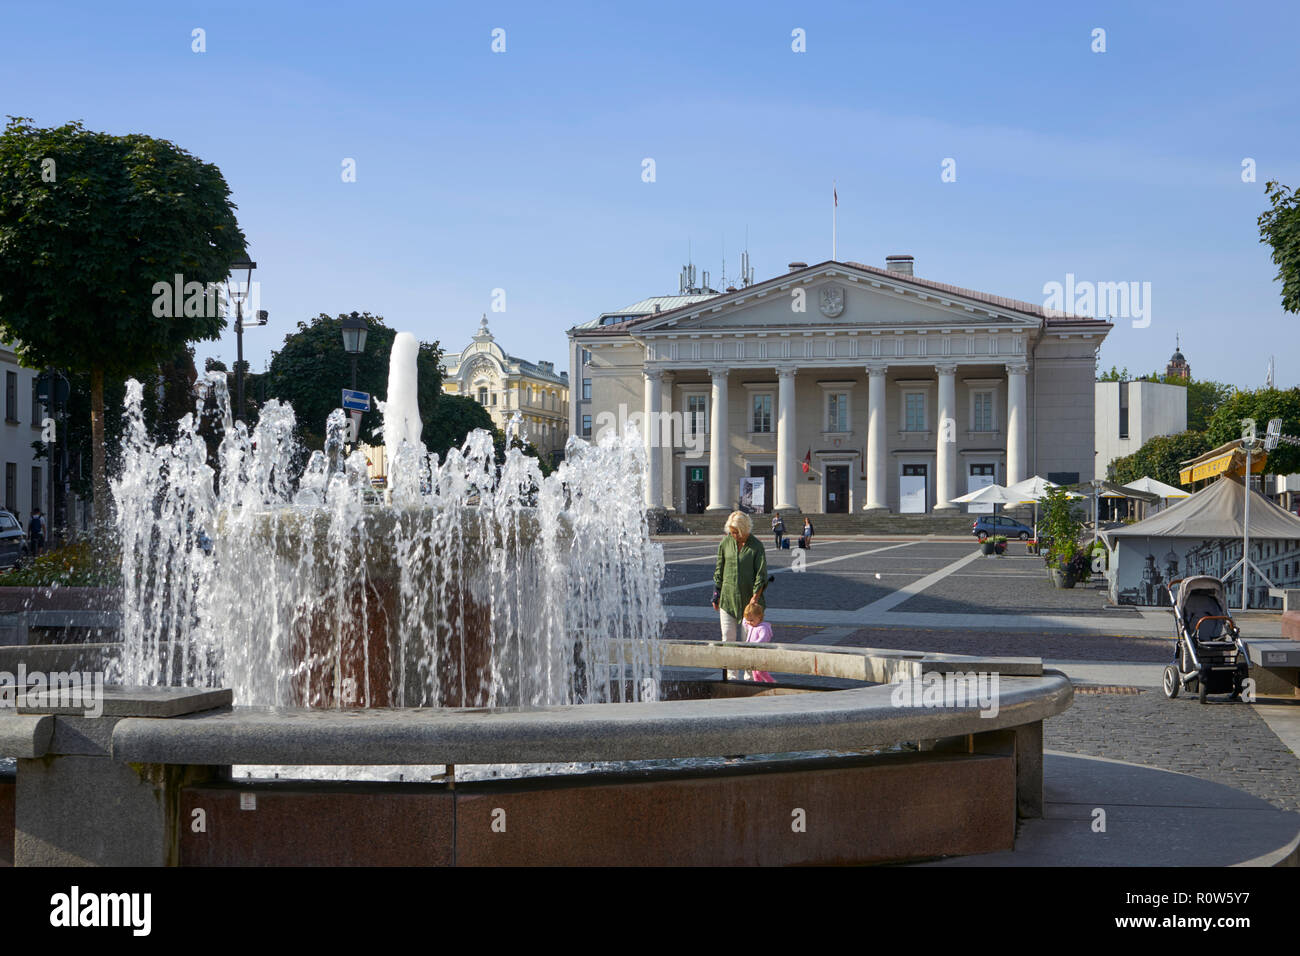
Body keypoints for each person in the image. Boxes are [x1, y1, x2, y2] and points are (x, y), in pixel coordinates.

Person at [711, 511, 768, 678]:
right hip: (728, 599)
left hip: (749, 602)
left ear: (744, 530)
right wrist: (716, 593)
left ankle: (749, 677)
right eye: (731, 532)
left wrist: (755, 597)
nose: (733, 535)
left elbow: (761, 573)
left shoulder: (756, 546)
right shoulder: (725, 543)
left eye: (736, 532)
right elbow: (719, 570)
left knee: (748, 642)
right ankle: (731, 676)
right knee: (728, 638)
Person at [742, 601, 775, 684]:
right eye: (748, 620)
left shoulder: (763, 627)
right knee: (755, 672)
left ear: (759, 617)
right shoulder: (752, 625)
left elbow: (763, 638)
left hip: (761, 652)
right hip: (753, 652)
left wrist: (753, 645)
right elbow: (745, 623)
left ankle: (771, 682)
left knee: (761, 671)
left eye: (751, 620)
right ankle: (758, 684)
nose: (749, 623)